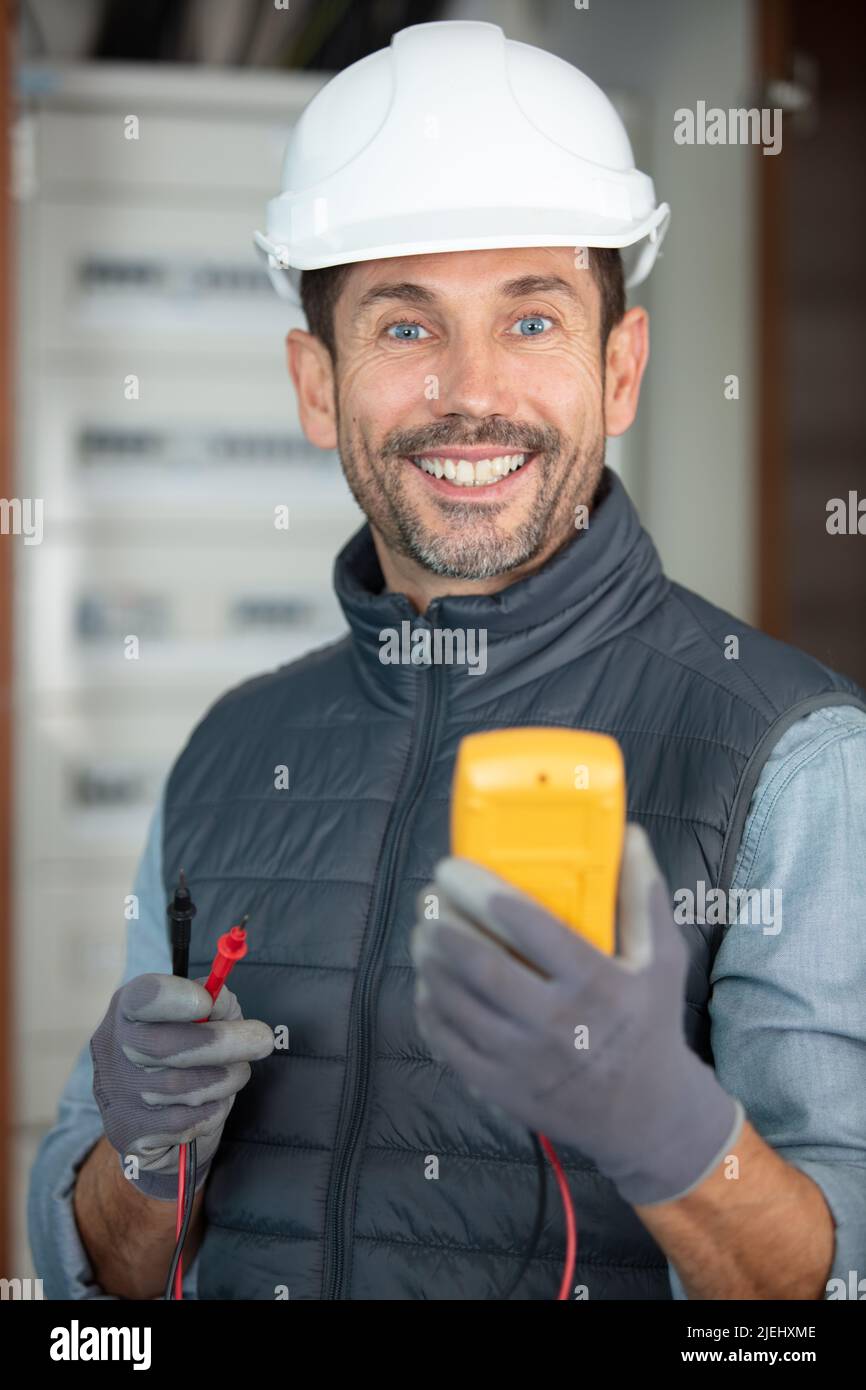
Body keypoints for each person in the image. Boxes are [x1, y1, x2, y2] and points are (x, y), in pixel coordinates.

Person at [29, 20, 866, 1301]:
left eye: (530, 319)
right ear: (318, 385)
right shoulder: (231, 750)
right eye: (405, 329)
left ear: (618, 369)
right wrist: (143, 1164)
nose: (471, 393)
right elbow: (100, 1292)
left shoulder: (791, 758)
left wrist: (673, 1133)